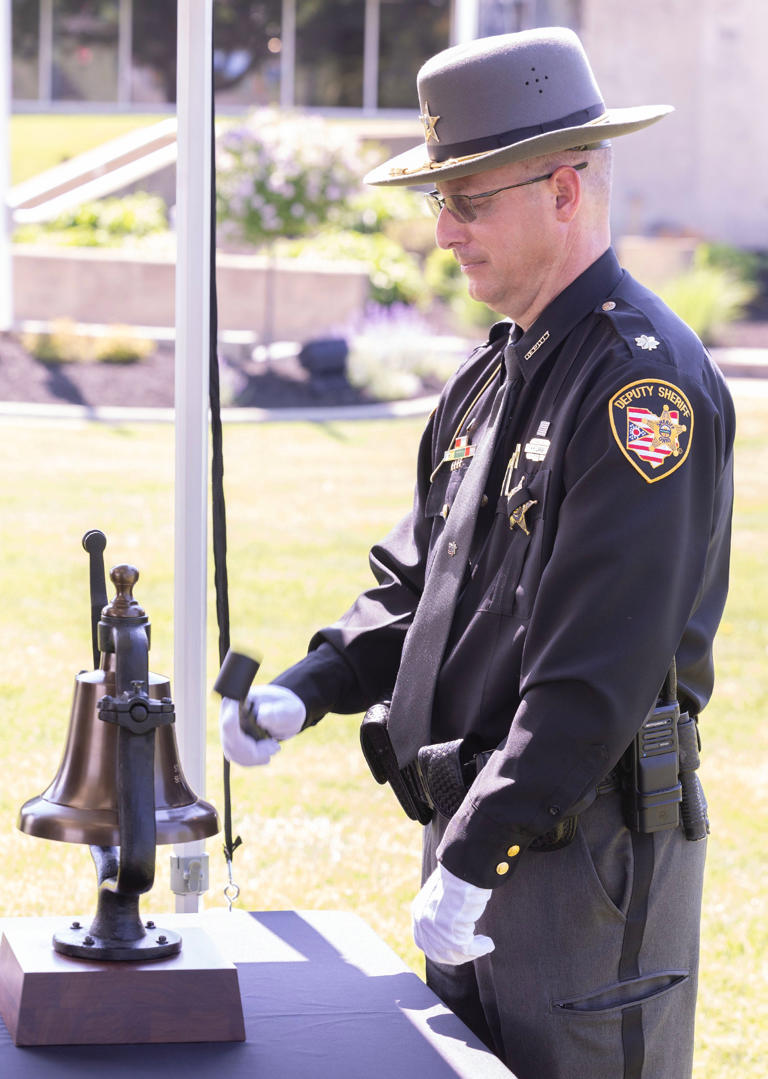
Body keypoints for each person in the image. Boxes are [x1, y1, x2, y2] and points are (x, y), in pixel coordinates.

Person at [220, 27, 735, 1079]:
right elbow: (428, 585)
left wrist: (473, 856)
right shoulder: (495, 372)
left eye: (469, 200)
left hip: (586, 842)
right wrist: (309, 685)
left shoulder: (642, 391)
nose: (445, 233)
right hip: (483, 813)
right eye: (437, 202)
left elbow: (596, 671)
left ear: (562, 188)